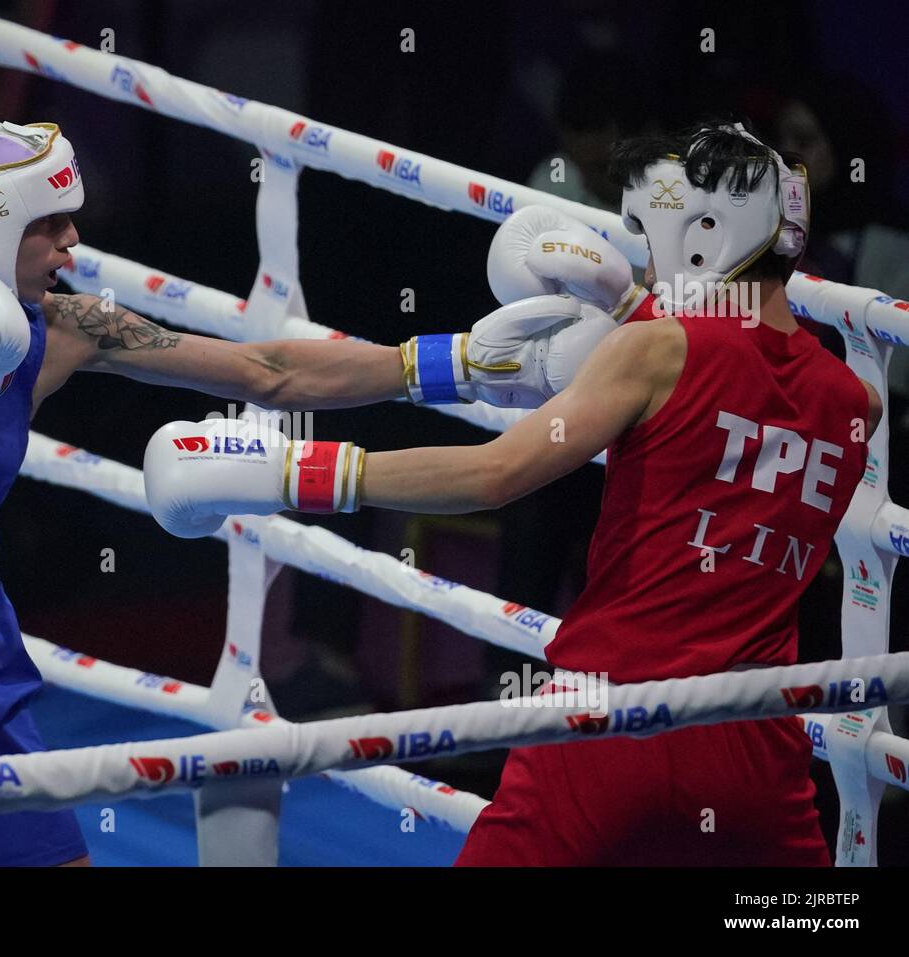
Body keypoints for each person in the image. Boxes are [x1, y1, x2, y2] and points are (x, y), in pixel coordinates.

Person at [0, 113, 607, 865]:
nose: (74, 244)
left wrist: (451, 365)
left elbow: (267, 369)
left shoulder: (66, 324)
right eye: (51, 225)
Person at [142, 120, 883, 865]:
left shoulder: (657, 348)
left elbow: (494, 473)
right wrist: (627, 314)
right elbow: (733, 418)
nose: (651, 269)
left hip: (607, 719)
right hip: (753, 741)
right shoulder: (855, 401)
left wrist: (290, 473)